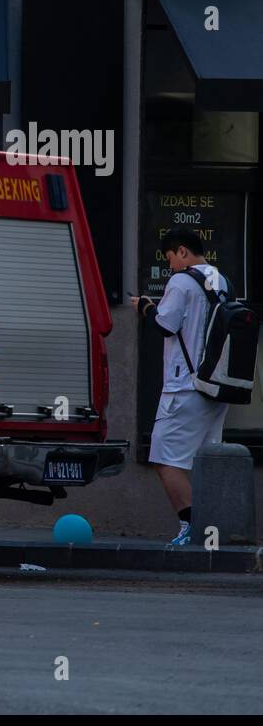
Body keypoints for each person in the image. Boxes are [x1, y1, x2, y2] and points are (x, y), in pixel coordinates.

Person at [130, 229, 231, 547]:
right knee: (202, 460)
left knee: (164, 458)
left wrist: (144, 307)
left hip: (184, 387)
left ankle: (192, 528)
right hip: (215, 386)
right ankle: (213, 533)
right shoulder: (220, 280)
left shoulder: (181, 282)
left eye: (170, 257)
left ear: (183, 251)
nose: (170, 265)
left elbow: (164, 324)